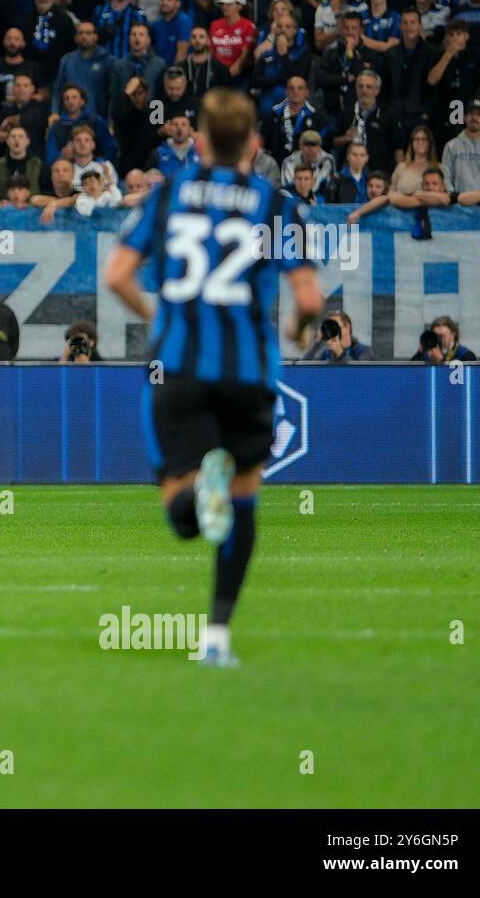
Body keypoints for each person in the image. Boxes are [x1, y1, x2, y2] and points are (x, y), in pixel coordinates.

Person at [103, 88, 324, 668]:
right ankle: (218, 637)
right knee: (245, 498)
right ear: (255, 143)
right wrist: (301, 330)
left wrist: (161, 314)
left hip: (180, 365)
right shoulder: (275, 205)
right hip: (249, 372)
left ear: (197, 141)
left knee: (179, 510)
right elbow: (309, 296)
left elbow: (118, 275)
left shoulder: (168, 193)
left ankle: (195, 498)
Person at [410, 315, 477, 363]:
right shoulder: (426, 354)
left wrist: (441, 362)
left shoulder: (465, 355)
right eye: (436, 336)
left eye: (442, 336)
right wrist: (420, 352)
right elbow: (411, 375)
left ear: (453, 334)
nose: (439, 339)